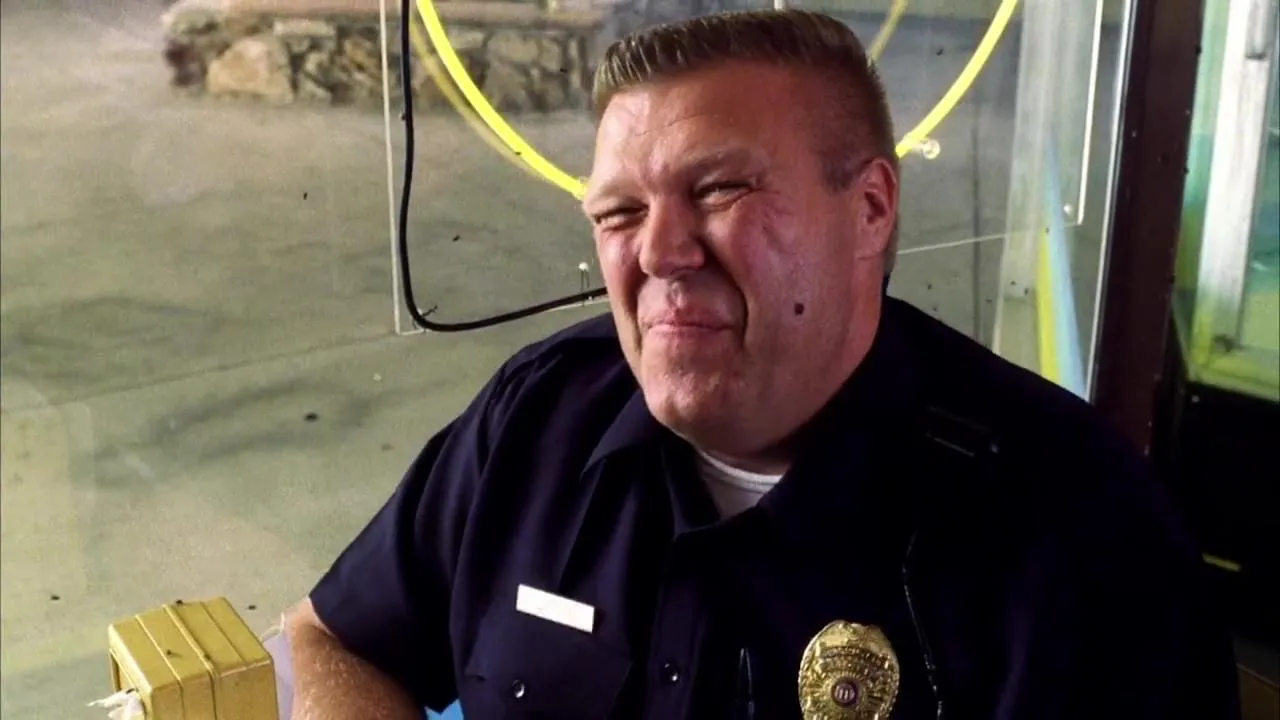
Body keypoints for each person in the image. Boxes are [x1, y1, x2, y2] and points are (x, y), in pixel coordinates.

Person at [284, 9, 1240, 719]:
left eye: (719, 189)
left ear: (870, 210)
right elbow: (333, 637)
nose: (659, 251)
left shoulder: (1079, 534)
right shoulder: (535, 421)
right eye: (619, 212)